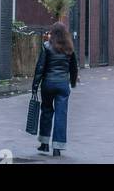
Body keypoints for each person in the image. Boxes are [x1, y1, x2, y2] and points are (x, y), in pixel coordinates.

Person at [32, 21, 79, 155]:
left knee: (46, 111)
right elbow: (73, 68)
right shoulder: (69, 48)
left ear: (52, 33)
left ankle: (44, 144)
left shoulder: (47, 46)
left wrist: (35, 86)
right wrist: (73, 82)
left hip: (48, 84)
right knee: (61, 115)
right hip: (63, 85)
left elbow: (40, 68)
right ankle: (57, 148)